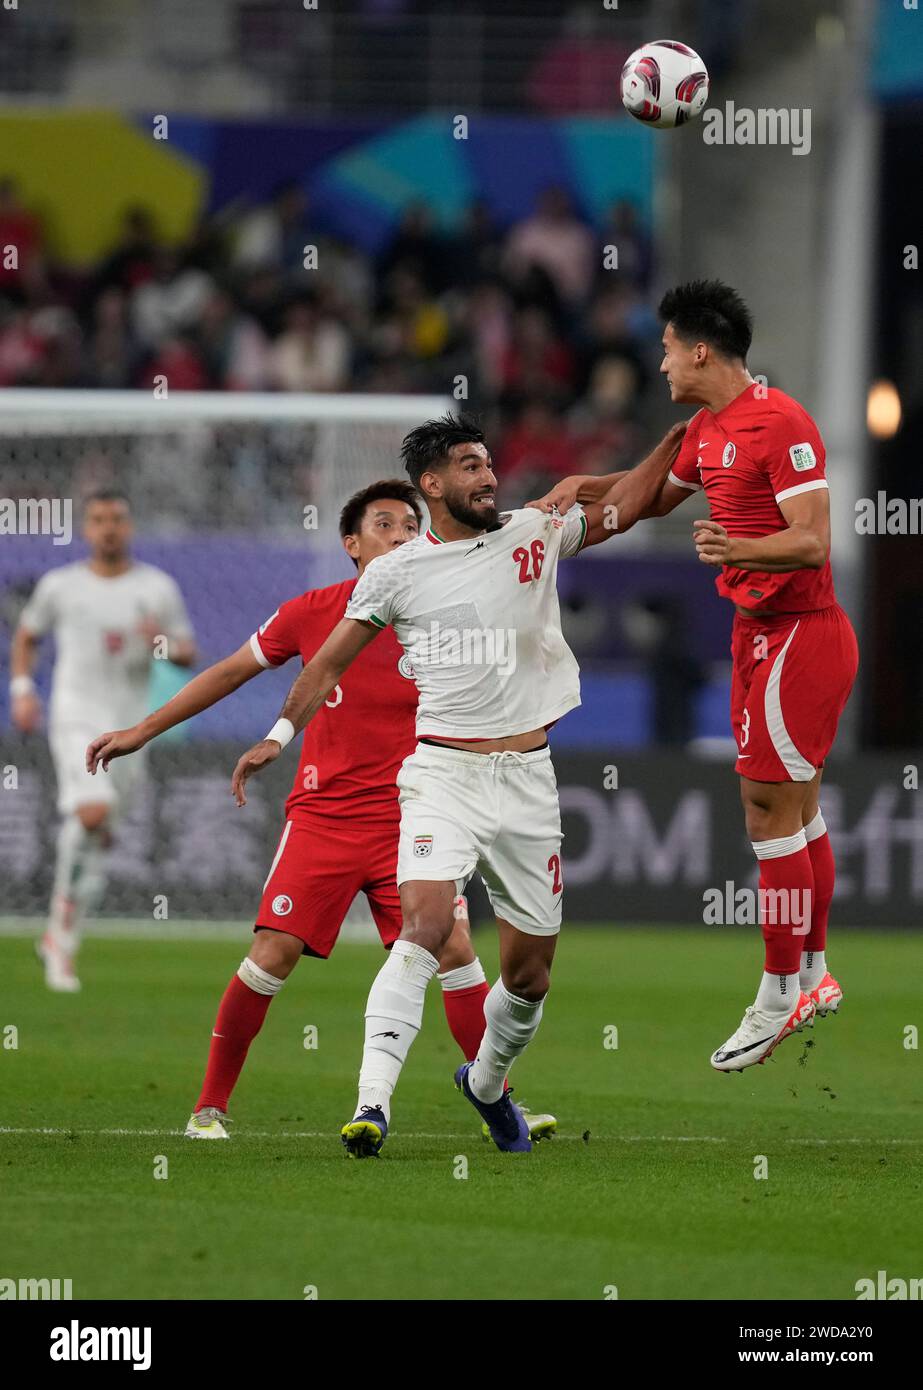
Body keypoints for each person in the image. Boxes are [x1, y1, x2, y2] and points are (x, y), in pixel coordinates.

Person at [228, 413, 685, 1156]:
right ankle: (371, 1102)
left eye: (488, 464)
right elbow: (326, 665)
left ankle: (486, 1083)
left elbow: (640, 503)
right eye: (471, 467)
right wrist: (276, 737)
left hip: (528, 780)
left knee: (529, 978)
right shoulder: (396, 572)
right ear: (433, 484)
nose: (489, 477)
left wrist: (668, 443)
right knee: (425, 926)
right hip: (443, 772)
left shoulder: (531, 533)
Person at [86, 481, 555, 1142]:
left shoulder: (446, 611)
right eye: (383, 524)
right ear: (350, 543)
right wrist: (141, 730)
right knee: (272, 952)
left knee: (452, 949)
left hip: (413, 821)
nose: (398, 535)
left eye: (408, 526)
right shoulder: (312, 613)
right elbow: (226, 672)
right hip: (324, 822)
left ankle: (499, 1098)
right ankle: (209, 1106)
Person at [531, 280, 858, 1073]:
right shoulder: (709, 432)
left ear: (700, 348)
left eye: (668, 347)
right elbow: (646, 502)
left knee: (765, 814)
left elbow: (813, 541)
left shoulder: (780, 423)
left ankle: (778, 991)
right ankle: (811, 974)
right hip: (759, 636)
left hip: (801, 635)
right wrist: (588, 489)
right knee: (797, 811)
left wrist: (740, 549)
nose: (660, 362)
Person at [10, 491, 197, 991]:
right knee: (92, 814)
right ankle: (59, 940)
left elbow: (185, 653)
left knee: (98, 837)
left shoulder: (156, 587)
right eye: (98, 520)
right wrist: (24, 689)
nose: (108, 528)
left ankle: (60, 939)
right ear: (85, 528)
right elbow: (27, 635)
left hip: (132, 728)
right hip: (75, 714)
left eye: (117, 518)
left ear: (129, 525)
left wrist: (158, 639)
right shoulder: (61, 586)